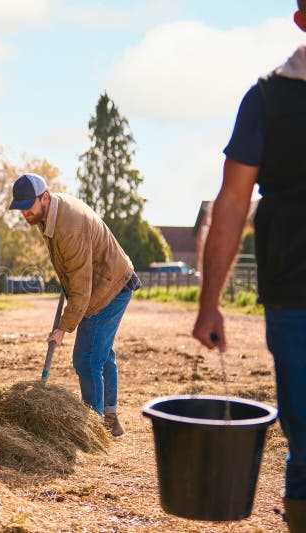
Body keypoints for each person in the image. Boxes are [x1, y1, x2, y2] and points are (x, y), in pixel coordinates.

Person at [193, 2, 306, 529]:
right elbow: (232, 204)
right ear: (301, 18)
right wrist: (209, 302)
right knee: (305, 441)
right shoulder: (267, 100)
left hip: (291, 297)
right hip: (294, 297)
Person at [9, 173, 140, 437]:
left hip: (110, 287)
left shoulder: (69, 225)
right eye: (20, 207)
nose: (24, 212)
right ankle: (110, 420)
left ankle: (93, 429)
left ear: (44, 197)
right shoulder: (49, 214)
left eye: (28, 205)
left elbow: (82, 289)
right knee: (101, 354)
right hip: (104, 282)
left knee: (87, 358)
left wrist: (63, 328)